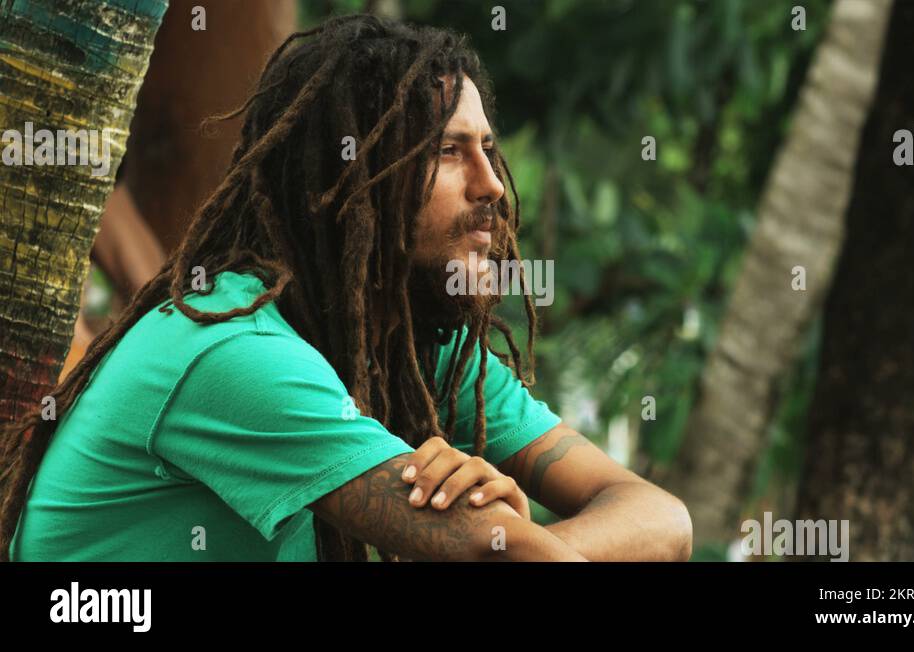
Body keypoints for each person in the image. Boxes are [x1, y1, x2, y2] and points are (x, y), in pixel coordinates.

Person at [1, 14, 692, 562]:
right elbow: (492, 554)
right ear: (350, 185)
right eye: (449, 152)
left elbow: (662, 522)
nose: (490, 186)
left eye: (489, 149)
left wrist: (525, 540)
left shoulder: (417, 351)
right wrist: (502, 538)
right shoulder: (232, 351)